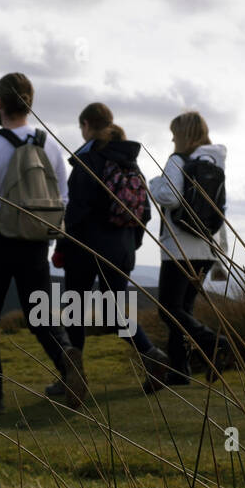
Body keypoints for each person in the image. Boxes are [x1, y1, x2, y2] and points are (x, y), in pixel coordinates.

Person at [0, 72, 85, 413]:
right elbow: (63, 196)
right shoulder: (49, 143)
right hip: (35, 241)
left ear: (0, 103)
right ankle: (67, 362)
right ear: (29, 102)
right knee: (41, 314)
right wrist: (47, 235)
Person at [57, 102, 169, 393]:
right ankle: (151, 355)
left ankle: (74, 379)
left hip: (85, 248)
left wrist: (62, 245)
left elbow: (75, 212)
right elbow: (144, 212)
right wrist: (131, 243)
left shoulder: (88, 161)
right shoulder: (130, 162)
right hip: (121, 249)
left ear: (85, 126)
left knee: (74, 310)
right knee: (115, 312)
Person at [147, 110, 229, 385]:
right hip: (205, 249)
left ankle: (214, 342)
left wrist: (153, 184)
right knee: (182, 311)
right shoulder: (214, 165)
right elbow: (220, 210)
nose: (171, 138)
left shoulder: (178, 160)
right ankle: (180, 372)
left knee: (168, 310)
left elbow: (168, 196)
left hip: (179, 248)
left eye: (174, 133)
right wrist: (220, 257)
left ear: (183, 134)